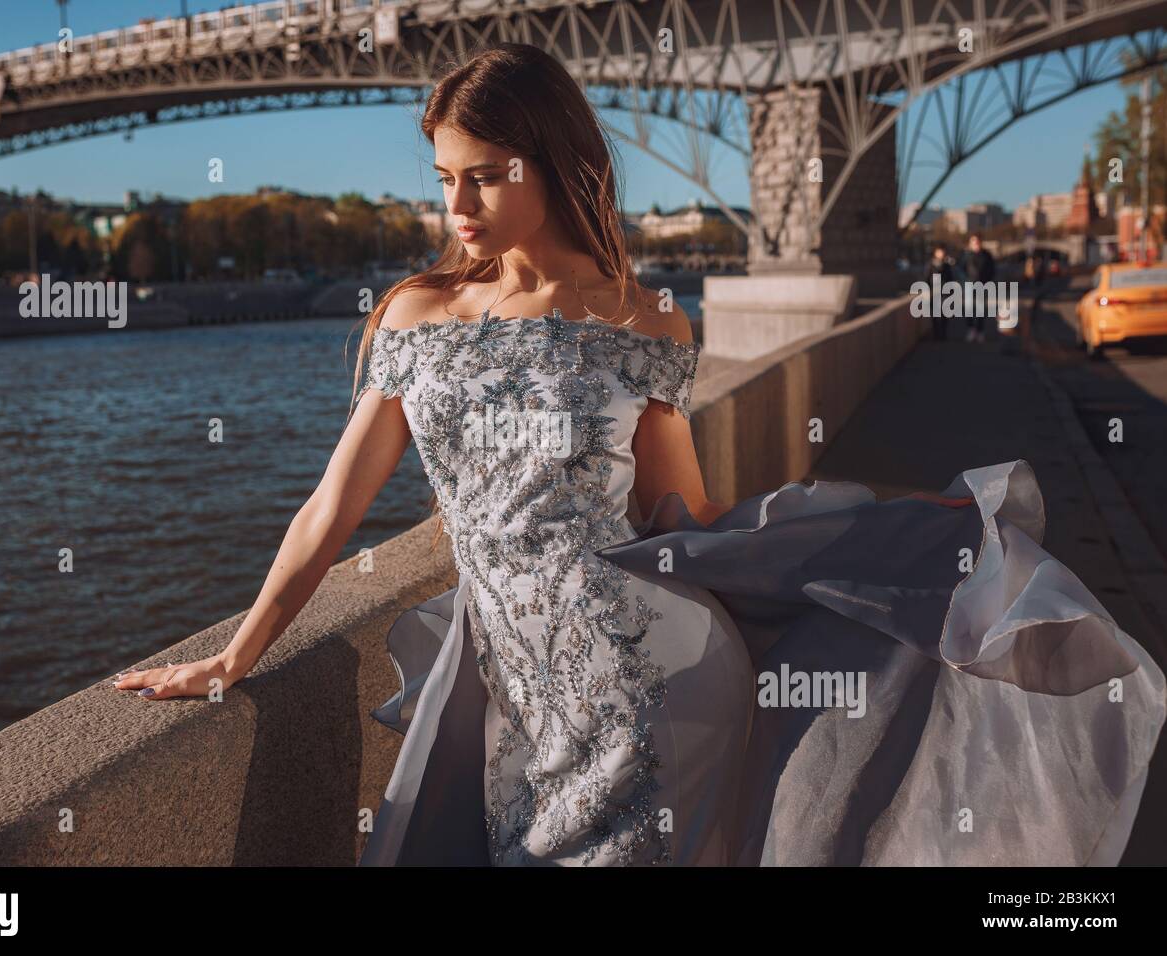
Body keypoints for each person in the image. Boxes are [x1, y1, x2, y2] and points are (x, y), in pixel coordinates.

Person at [112, 43, 1165, 867]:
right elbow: (326, 512)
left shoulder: (649, 321)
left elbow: (689, 521)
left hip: (653, 680)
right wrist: (234, 654)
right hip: (515, 702)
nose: (458, 207)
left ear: (551, 163)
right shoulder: (415, 317)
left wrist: (886, 535)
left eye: (484, 177)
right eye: (443, 179)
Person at [961, 233, 996, 343]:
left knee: (981, 309)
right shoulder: (966, 255)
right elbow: (960, 269)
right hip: (969, 284)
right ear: (970, 243)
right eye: (973, 242)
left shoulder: (986, 255)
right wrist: (965, 280)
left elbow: (992, 269)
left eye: (977, 242)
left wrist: (988, 281)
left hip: (982, 284)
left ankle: (980, 331)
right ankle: (971, 330)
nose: (976, 244)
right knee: (968, 309)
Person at [923, 244, 956, 340]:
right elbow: (926, 278)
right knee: (935, 315)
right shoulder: (930, 265)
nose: (941, 254)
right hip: (934, 293)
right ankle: (936, 334)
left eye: (942, 252)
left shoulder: (946, 266)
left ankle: (943, 334)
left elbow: (950, 279)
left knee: (944, 315)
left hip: (945, 293)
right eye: (939, 252)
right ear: (935, 253)